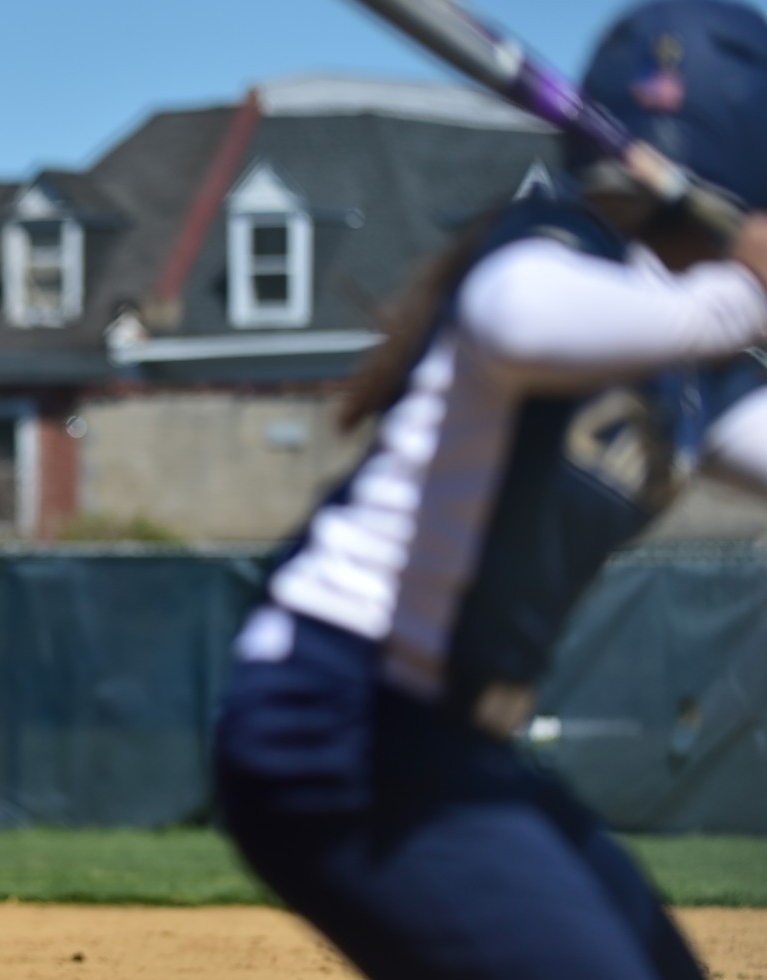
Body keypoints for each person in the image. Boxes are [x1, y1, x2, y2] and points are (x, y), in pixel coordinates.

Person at [214, 2, 767, 977]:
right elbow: (514, 316)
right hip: (334, 715)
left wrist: (732, 310)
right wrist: (741, 298)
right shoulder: (556, 246)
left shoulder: (684, 356)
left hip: (446, 746)